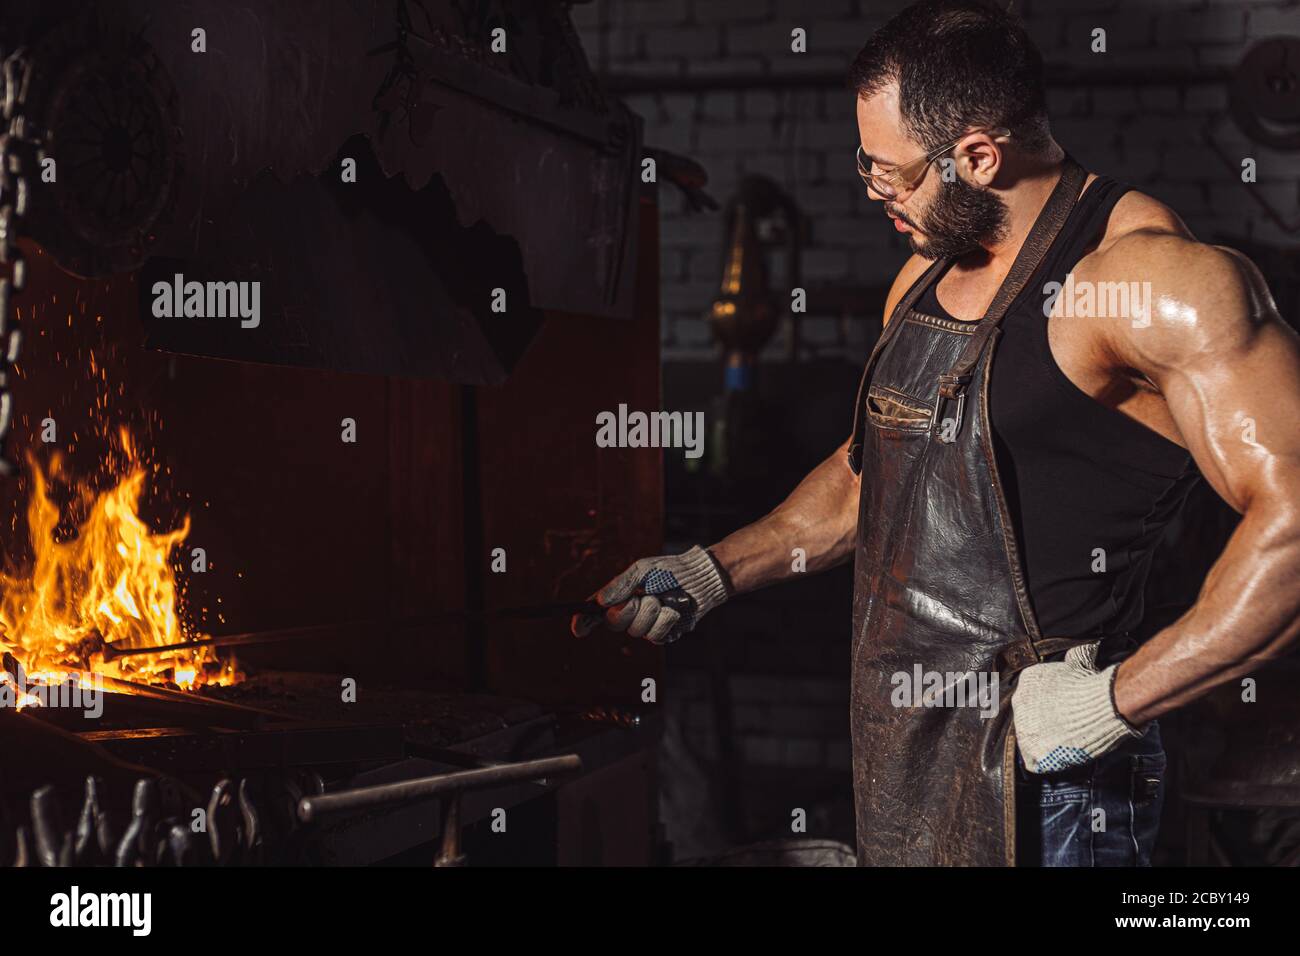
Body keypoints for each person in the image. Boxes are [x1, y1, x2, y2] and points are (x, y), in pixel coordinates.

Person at [573, 0, 1300, 866]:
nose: (874, 190)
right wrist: (712, 569)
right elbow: (867, 471)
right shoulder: (924, 275)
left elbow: (1292, 525)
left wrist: (1111, 702)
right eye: (866, 164)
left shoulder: (1151, 281)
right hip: (911, 754)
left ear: (979, 156)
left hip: (1059, 784)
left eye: (892, 172)